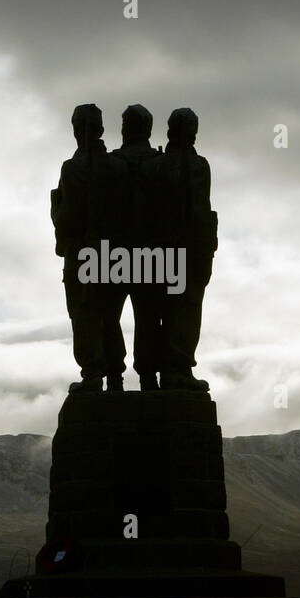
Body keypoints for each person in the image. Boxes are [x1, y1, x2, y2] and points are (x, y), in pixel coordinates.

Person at [152, 108, 216, 392]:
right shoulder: (198, 165)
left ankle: (168, 370)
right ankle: (177, 369)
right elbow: (200, 211)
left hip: (159, 249)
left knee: (163, 311)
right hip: (188, 249)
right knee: (185, 310)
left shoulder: (157, 164)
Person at [52, 103, 111, 393]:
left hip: (84, 251)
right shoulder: (115, 165)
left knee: (85, 313)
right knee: (105, 314)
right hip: (113, 253)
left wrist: (56, 211)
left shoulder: (72, 168)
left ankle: (93, 374)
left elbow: (66, 215)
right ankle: (112, 376)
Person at [107, 104, 165, 390]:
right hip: (152, 253)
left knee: (108, 317)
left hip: (111, 253)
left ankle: (113, 376)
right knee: (149, 318)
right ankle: (148, 376)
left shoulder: (108, 163)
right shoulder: (160, 163)